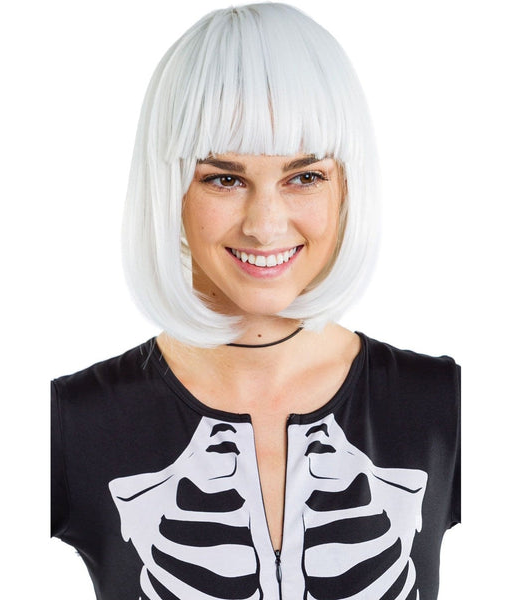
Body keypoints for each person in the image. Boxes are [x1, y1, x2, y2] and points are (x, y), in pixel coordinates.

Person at [51, 3, 460, 599]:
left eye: (305, 177)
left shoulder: (446, 406)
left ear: (347, 189)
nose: (265, 226)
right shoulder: (70, 421)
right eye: (224, 178)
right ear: (170, 191)